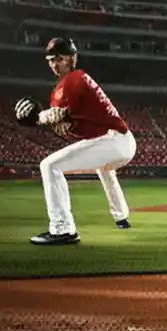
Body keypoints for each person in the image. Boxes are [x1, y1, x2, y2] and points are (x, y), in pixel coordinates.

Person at [15, 37, 137, 244]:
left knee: (49, 165)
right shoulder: (71, 83)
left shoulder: (74, 79)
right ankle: (121, 217)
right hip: (117, 141)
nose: (54, 64)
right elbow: (63, 125)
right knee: (105, 170)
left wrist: (36, 118)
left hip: (113, 141)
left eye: (59, 58)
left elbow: (58, 114)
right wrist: (47, 120)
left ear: (72, 58)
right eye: (51, 60)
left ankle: (62, 229)